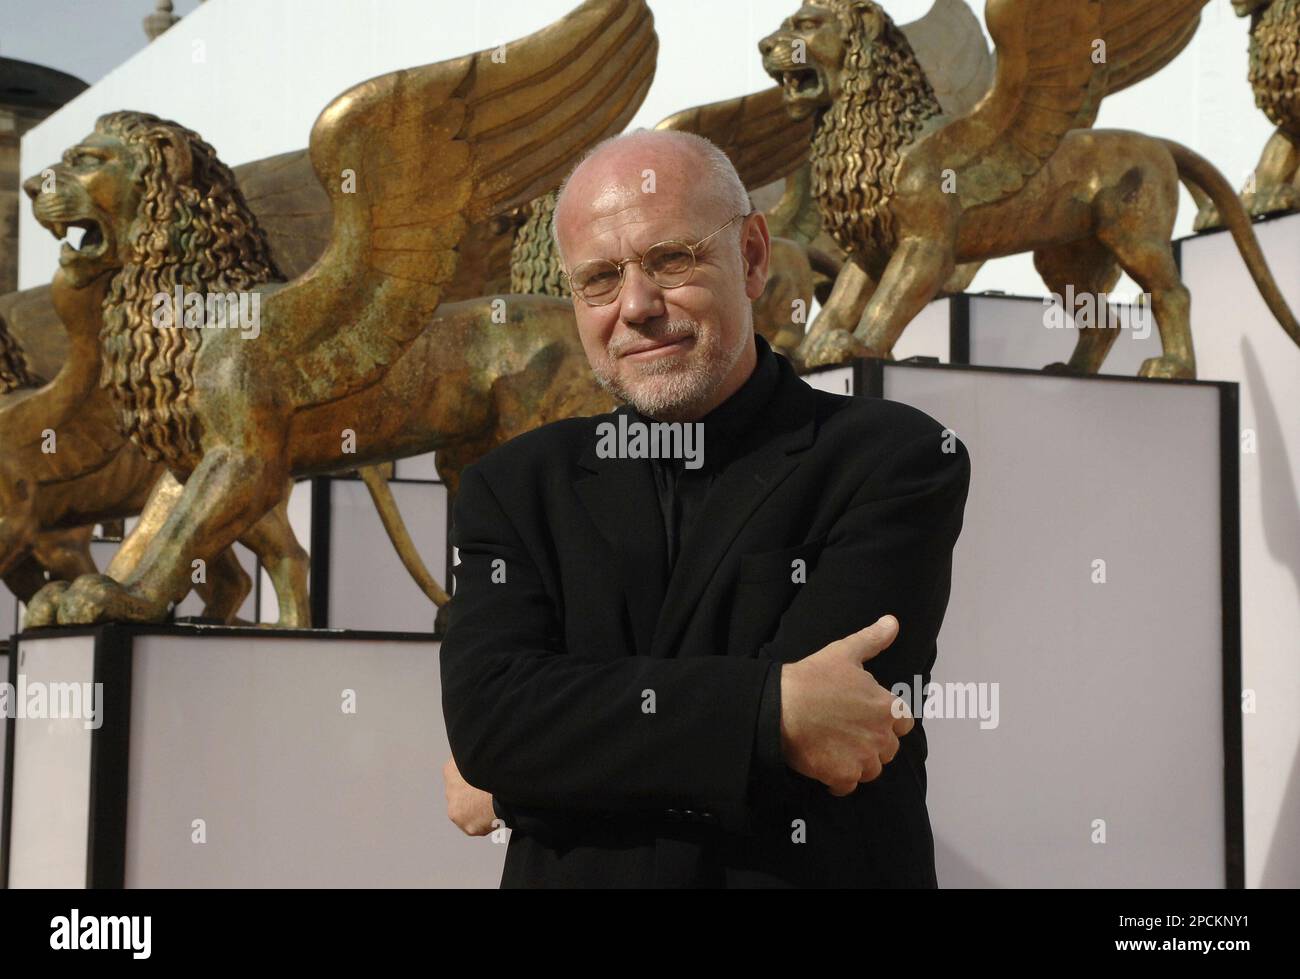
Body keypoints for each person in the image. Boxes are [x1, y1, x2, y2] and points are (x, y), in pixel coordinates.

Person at [439, 128, 971, 887]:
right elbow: (492, 724)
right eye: (599, 279)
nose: (636, 306)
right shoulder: (513, 488)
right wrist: (770, 709)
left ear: (752, 257)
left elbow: (837, 742)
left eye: (670, 259)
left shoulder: (895, 460)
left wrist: (532, 774)